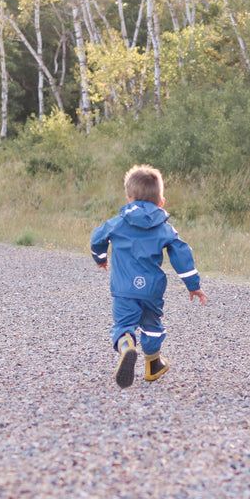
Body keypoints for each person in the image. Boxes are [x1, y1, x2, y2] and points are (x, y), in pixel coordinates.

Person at [92, 164, 208, 388]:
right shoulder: (165, 228)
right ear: (161, 201)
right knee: (151, 326)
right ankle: (153, 365)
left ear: (129, 198)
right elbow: (181, 255)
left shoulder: (117, 223)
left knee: (124, 324)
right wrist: (193, 285)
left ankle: (126, 344)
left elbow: (97, 238)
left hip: (124, 289)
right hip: (152, 290)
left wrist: (100, 258)